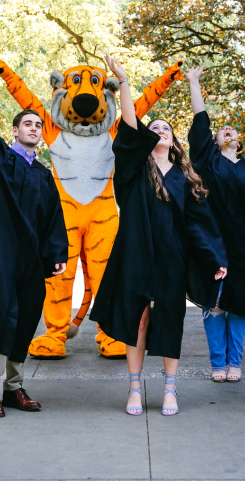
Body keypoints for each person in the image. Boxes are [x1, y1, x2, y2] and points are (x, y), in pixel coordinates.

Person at [91, 55, 228, 417]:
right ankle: (135, 389)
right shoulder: (134, 171)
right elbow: (129, 129)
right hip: (136, 255)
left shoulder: (186, 178)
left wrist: (215, 258)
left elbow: (199, 225)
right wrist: (124, 81)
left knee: (170, 320)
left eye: (166, 128)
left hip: (172, 258)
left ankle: (170, 390)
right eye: (154, 127)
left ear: (174, 140)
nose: (160, 130)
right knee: (137, 320)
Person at [0, 66, 69, 418]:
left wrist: (56, 253)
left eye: (38, 125)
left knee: (25, 318)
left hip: (30, 258)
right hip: (0, 254)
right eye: (27, 124)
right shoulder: (0, 160)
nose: (33, 128)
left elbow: (53, 218)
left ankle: (14, 387)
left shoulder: (43, 175)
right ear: (15, 131)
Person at [186, 67, 245, 382]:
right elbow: (200, 122)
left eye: (232, 129)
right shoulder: (207, 161)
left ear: (240, 142)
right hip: (212, 245)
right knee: (214, 305)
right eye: (222, 129)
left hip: (242, 247)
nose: (227, 129)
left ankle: (234, 362)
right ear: (214, 140)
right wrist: (194, 82)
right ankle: (218, 363)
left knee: (239, 306)